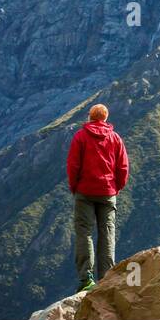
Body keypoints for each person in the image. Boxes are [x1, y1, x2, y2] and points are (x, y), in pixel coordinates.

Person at [66, 103, 129, 292]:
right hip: (108, 193)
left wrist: (75, 187)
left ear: (89, 117)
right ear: (105, 118)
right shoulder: (115, 138)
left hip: (84, 192)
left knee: (84, 232)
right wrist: (116, 187)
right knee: (107, 233)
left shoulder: (80, 137)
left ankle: (86, 279)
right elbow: (123, 167)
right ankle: (107, 279)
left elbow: (73, 166)